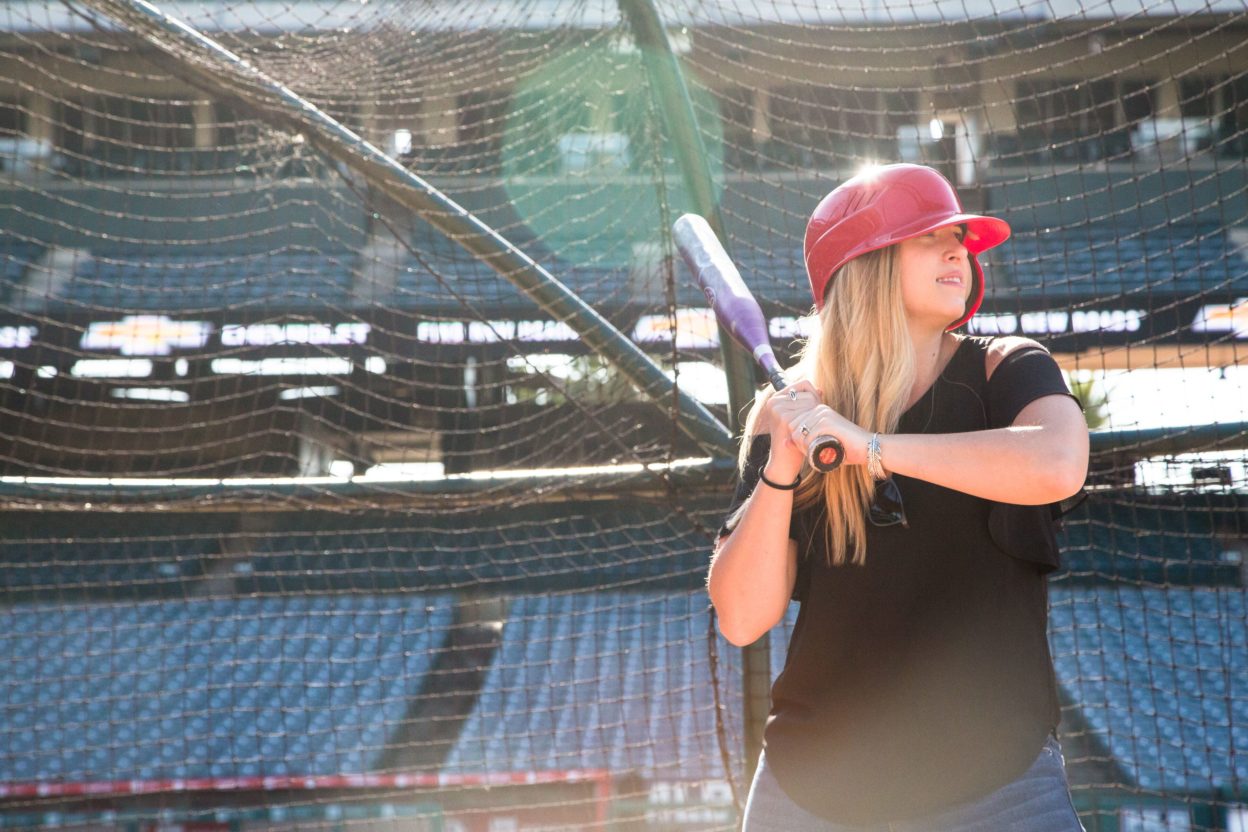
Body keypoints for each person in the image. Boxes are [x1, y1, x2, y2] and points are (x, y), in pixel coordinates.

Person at [708, 163, 1090, 831]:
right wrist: (780, 465)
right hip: (812, 796)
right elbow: (741, 617)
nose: (958, 249)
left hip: (999, 791)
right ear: (866, 264)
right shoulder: (796, 410)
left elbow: (1058, 463)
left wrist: (871, 446)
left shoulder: (1006, 365)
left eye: (959, 238)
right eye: (928, 237)